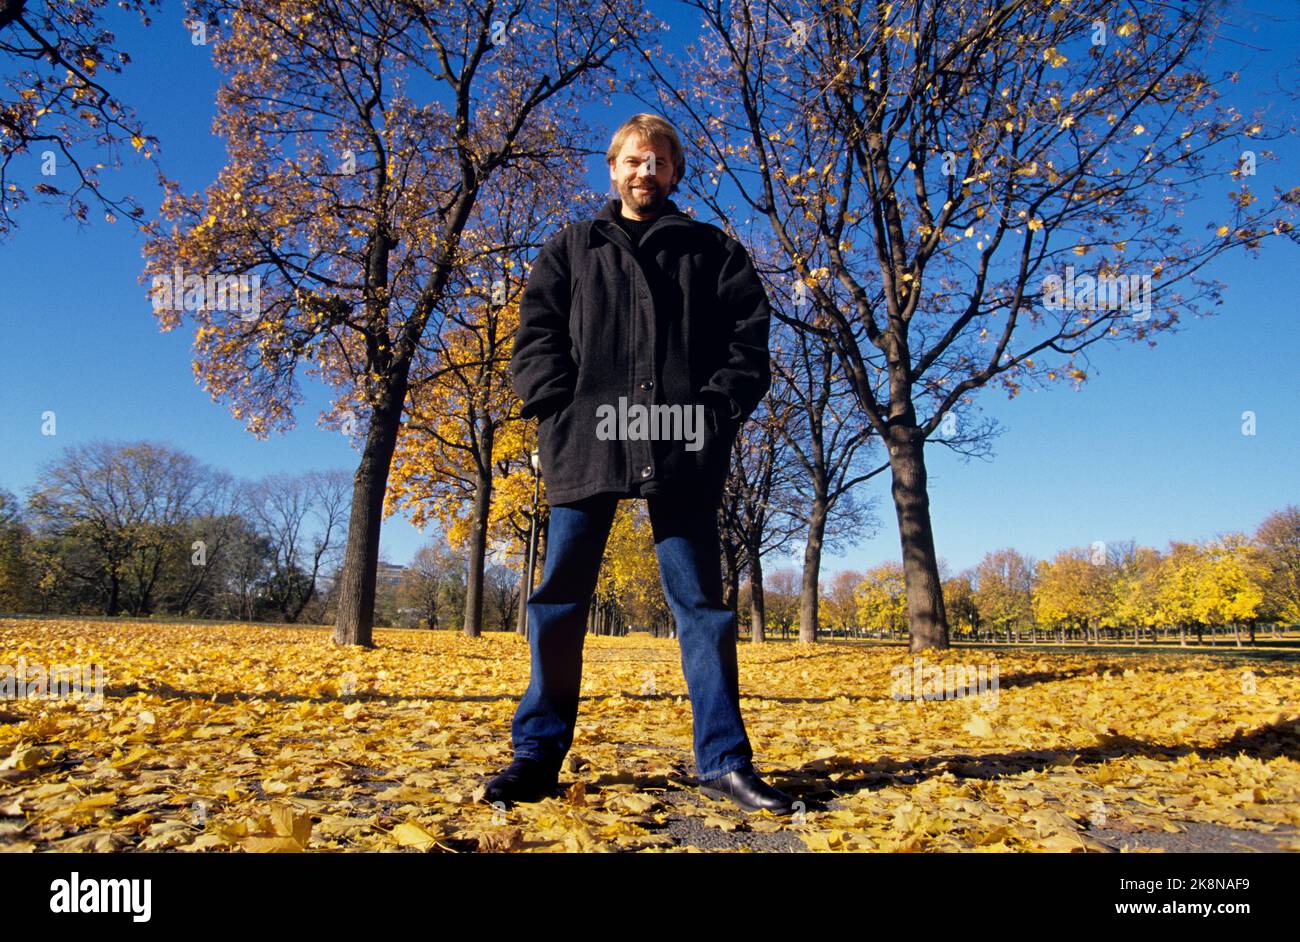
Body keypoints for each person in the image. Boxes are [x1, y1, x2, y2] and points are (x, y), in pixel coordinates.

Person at [486, 114, 795, 815]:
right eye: (630, 160)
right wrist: (556, 404)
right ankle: (535, 757)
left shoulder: (713, 251)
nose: (642, 172)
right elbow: (534, 335)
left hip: (682, 440)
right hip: (585, 437)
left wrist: (715, 411)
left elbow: (750, 341)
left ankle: (722, 761)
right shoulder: (570, 247)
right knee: (558, 603)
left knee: (701, 608)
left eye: (656, 161)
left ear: (674, 171)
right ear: (612, 168)